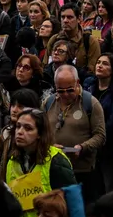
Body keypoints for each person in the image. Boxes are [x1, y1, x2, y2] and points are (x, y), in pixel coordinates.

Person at [3, 108, 76, 217]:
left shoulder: (56, 162)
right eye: (18, 126)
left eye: (28, 128)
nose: (20, 132)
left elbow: (72, 207)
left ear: (40, 134)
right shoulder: (12, 161)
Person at [44, 65, 107, 202]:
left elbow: (100, 136)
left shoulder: (90, 103)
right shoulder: (48, 103)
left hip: (82, 171)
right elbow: (40, 132)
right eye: (60, 91)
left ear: (77, 83)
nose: (65, 94)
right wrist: (49, 146)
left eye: (70, 90)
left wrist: (83, 147)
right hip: (54, 169)